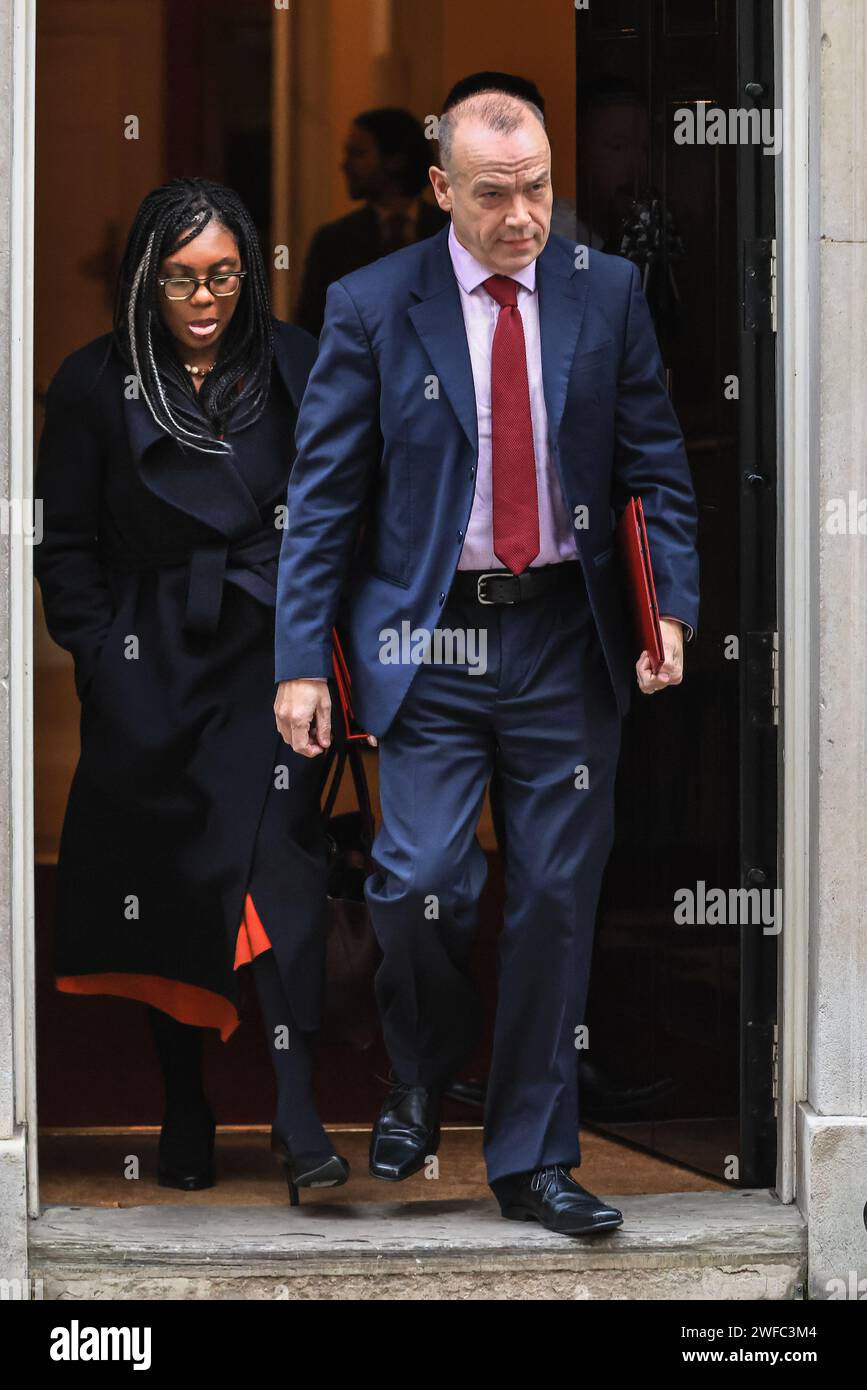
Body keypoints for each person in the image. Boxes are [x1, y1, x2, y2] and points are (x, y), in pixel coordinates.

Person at [273, 92, 699, 1235]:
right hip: (431, 636)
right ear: (444, 188)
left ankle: (533, 1161)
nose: (525, 217)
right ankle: (420, 1064)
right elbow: (322, 501)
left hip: (566, 633)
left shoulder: (603, 293)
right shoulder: (371, 304)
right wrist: (299, 661)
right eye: (497, 194)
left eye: (540, 189)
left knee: (556, 901)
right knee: (416, 880)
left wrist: (674, 611)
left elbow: (655, 469)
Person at [35, 177, 347, 1205]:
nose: (204, 297)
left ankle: (300, 1113)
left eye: (222, 274)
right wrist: (98, 652)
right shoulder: (93, 384)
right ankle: (185, 1099)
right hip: (151, 668)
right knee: (169, 892)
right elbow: (67, 547)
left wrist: (329, 647)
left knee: (280, 877)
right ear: (146, 280)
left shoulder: (299, 364)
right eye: (179, 278)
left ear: (249, 273)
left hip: (274, 661)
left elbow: (349, 516)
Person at [293, 107, 447, 337]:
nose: (344, 165)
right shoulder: (332, 242)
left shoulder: (451, 231)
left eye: (358, 153)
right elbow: (310, 332)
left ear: (395, 160)